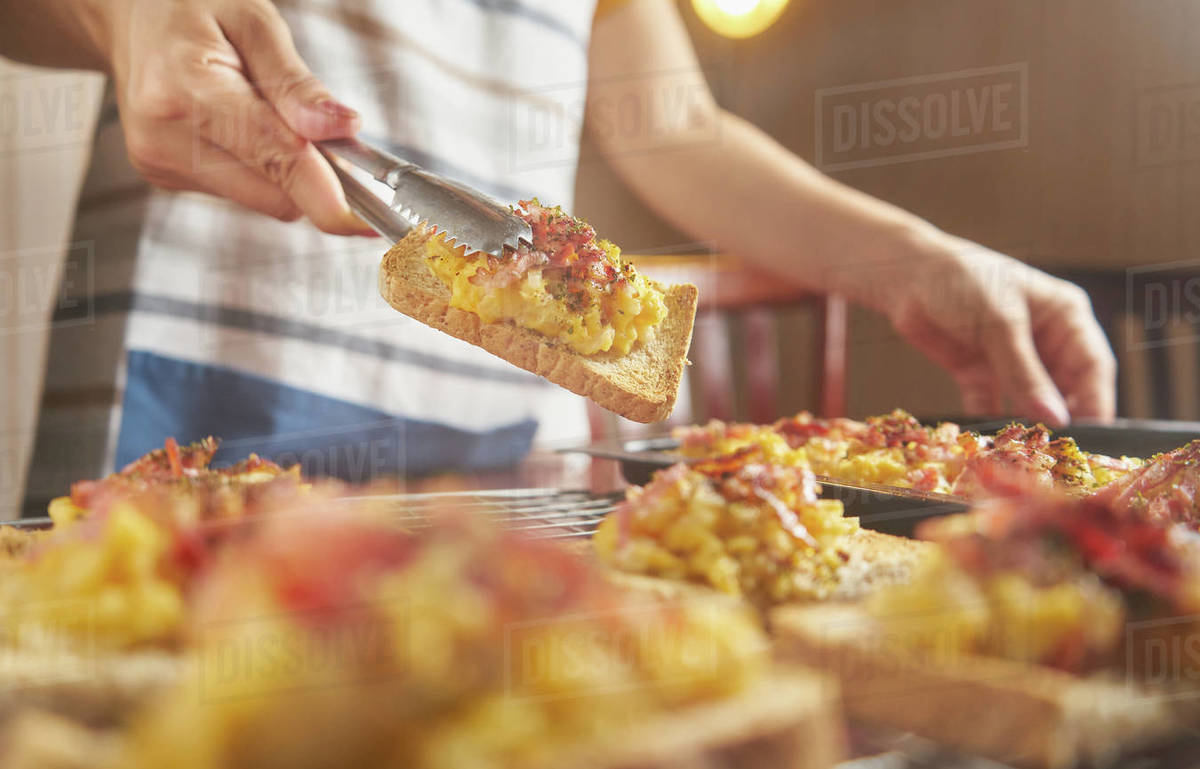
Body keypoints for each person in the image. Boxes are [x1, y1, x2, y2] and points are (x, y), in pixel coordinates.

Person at [3, 0, 1115, 506]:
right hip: (191, 378)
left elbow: (669, 126)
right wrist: (126, 15)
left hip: (505, 435)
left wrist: (916, 257)